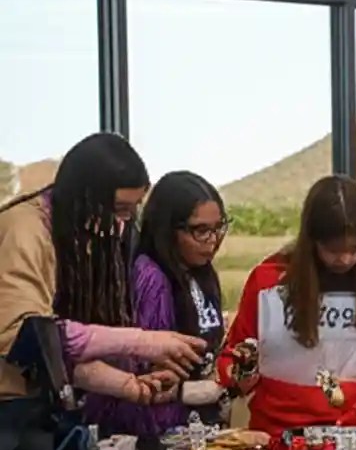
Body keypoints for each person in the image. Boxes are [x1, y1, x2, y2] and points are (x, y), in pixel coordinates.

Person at [0, 133, 205, 407]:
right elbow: (27, 339)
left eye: (131, 212)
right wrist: (141, 342)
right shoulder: (24, 231)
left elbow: (58, 354)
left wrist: (126, 385)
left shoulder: (75, 232)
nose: (123, 224)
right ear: (85, 196)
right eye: (119, 209)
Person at [216, 175, 356, 437]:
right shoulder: (268, 281)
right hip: (279, 439)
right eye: (333, 249)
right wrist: (234, 376)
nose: (345, 259)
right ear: (311, 240)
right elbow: (237, 353)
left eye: (355, 248)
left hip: (353, 437)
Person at [81, 171, 231, 437]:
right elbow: (149, 377)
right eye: (200, 230)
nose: (212, 241)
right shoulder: (150, 278)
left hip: (194, 428)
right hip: (154, 434)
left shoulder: (202, 274)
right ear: (168, 228)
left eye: (218, 228)